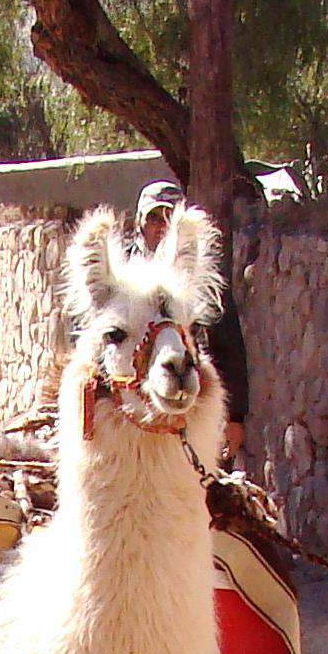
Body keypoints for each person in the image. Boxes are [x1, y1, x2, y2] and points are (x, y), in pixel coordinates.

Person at [136, 180, 249, 462]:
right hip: (132, 415)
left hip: (190, 408)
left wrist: (234, 418)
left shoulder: (202, 283)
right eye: (153, 217)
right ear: (139, 223)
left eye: (168, 217)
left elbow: (228, 347)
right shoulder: (121, 277)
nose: (160, 226)